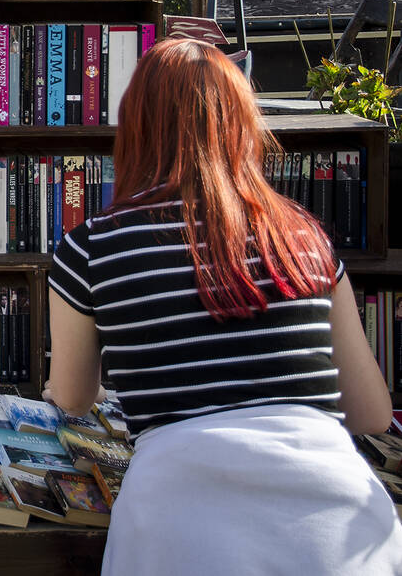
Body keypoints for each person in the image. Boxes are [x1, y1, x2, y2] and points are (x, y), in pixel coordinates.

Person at [46, 37, 401, 575]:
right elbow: (372, 412)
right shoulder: (302, 236)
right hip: (337, 528)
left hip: (178, 525)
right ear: (242, 122)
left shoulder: (94, 245)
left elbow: (73, 396)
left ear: (135, 125)